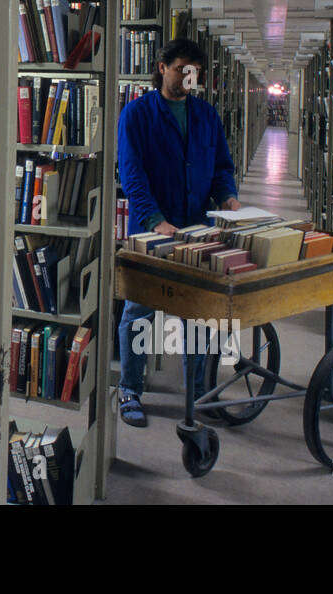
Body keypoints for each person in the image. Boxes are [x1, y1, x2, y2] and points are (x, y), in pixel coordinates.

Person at [115, 38, 240, 427]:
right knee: (140, 310)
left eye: (195, 72)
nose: (189, 77)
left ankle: (198, 393)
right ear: (162, 66)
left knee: (198, 313)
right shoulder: (136, 114)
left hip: (197, 230)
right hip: (152, 232)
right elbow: (131, 174)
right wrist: (155, 220)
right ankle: (131, 389)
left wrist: (229, 198)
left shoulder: (207, 115)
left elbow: (221, 166)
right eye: (182, 68)